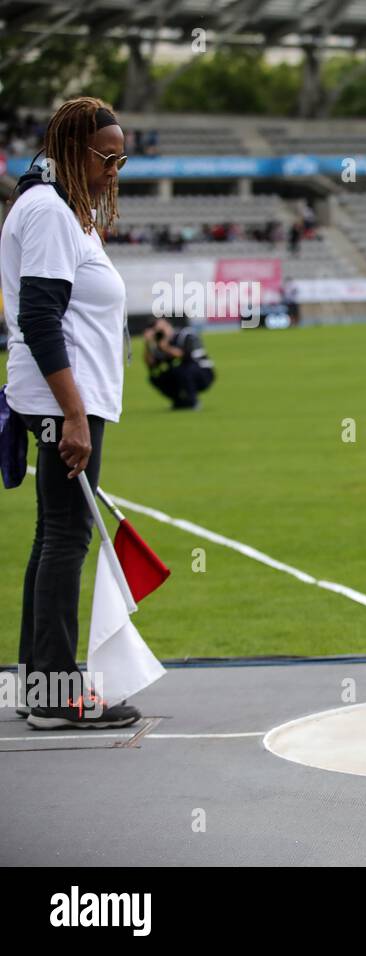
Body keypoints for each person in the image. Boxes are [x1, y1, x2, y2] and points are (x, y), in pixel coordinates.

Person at [0, 96, 140, 729]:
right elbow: (38, 317)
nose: (114, 170)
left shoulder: (59, 208)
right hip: (64, 401)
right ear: (70, 150)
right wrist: (75, 415)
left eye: (121, 159)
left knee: (53, 533)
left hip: (64, 398)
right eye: (105, 157)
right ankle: (55, 695)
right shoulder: (50, 212)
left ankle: (39, 681)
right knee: (67, 537)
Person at [142, 317, 215, 409]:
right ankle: (179, 402)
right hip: (182, 372)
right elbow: (152, 364)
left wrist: (165, 347)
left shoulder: (185, 334)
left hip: (203, 373)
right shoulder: (159, 343)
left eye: (162, 328)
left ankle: (193, 401)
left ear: (169, 325)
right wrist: (148, 344)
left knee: (186, 370)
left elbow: (186, 355)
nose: (161, 331)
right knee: (156, 376)